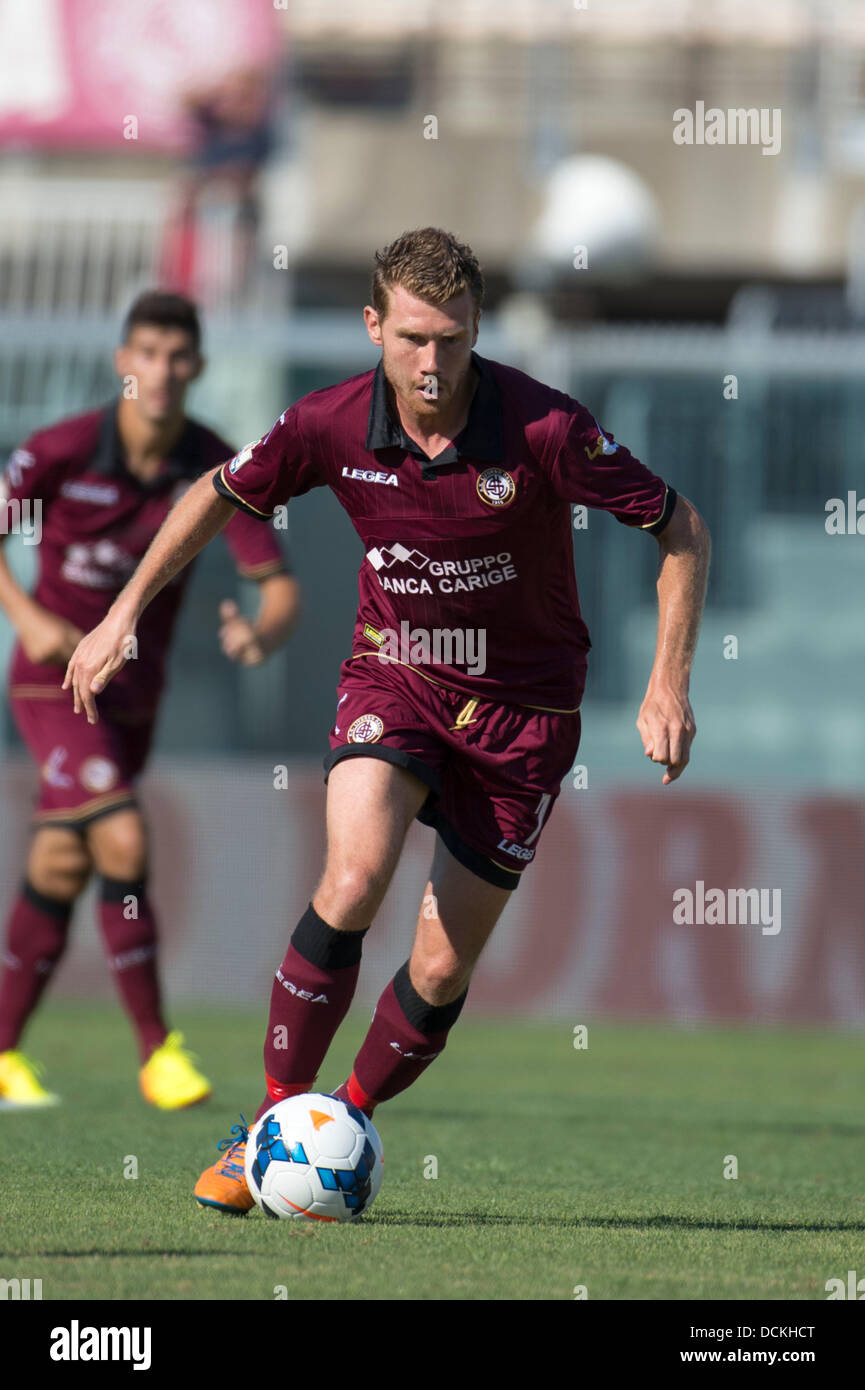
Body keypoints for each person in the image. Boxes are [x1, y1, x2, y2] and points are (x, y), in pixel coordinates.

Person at [63, 230, 710, 1212]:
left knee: (442, 966)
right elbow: (214, 491)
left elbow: (681, 528)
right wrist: (121, 615)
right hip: (395, 672)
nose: (431, 363)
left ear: (477, 330)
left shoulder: (543, 427)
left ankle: (351, 1110)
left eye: (451, 339)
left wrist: (668, 682)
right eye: (411, 337)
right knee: (355, 875)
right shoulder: (328, 423)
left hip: (524, 715)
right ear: (373, 326)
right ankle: (273, 1126)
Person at [0, 290, 299, 1110]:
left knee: (63, 858)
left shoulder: (212, 469)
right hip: (53, 681)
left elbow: (276, 589)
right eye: (147, 355)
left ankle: (1, 1056)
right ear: (121, 363)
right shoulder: (59, 451)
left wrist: (260, 637)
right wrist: (28, 618)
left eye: (178, 358)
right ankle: (157, 1053)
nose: (161, 373)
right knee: (123, 839)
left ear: (196, 367)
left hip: (135, 698)